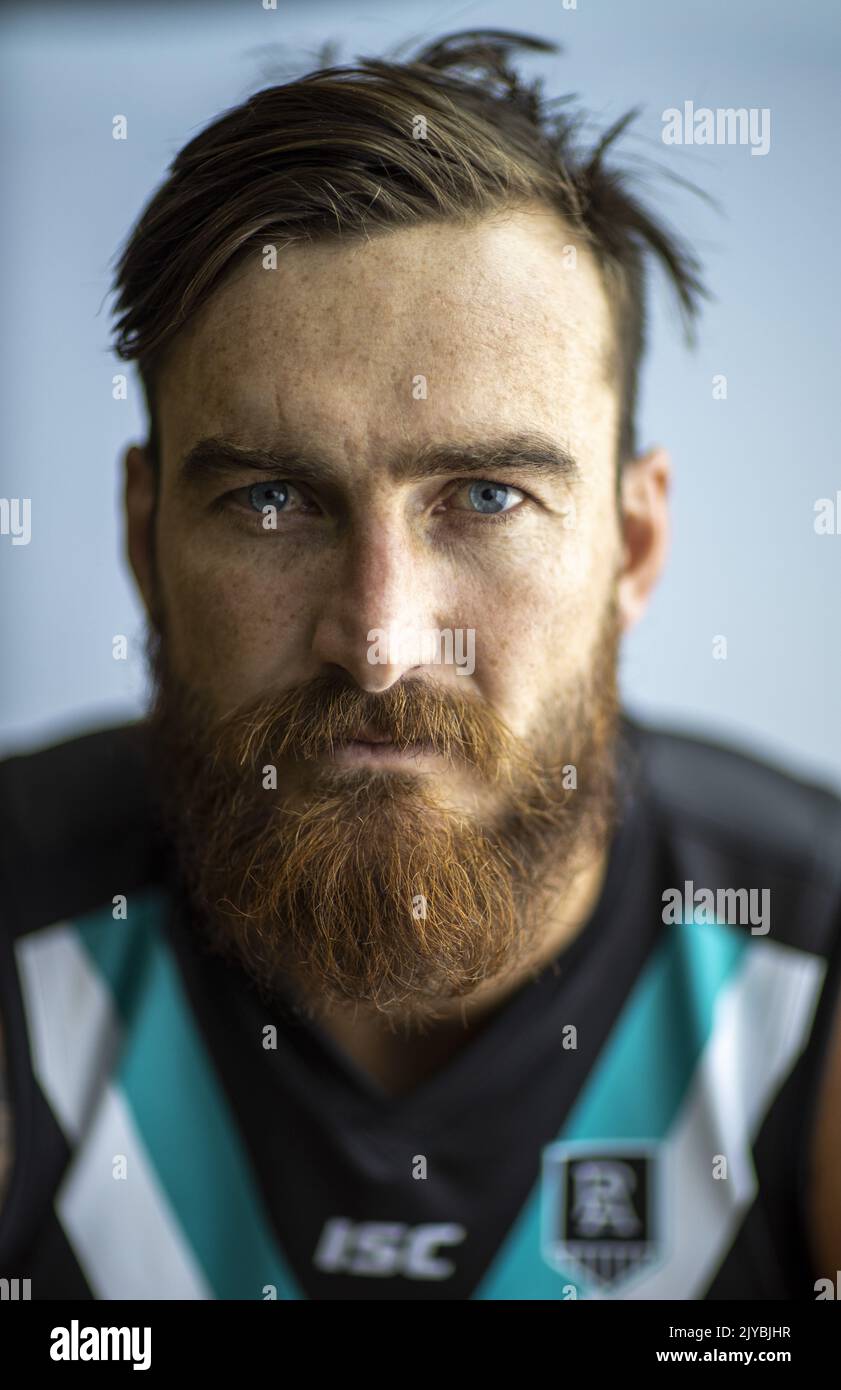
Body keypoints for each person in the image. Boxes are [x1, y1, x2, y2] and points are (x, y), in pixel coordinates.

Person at [0, 29, 839, 1301]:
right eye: (275, 499)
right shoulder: (23, 928)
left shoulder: (810, 966)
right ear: (142, 532)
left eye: (488, 496)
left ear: (634, 540)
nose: (380, 645)